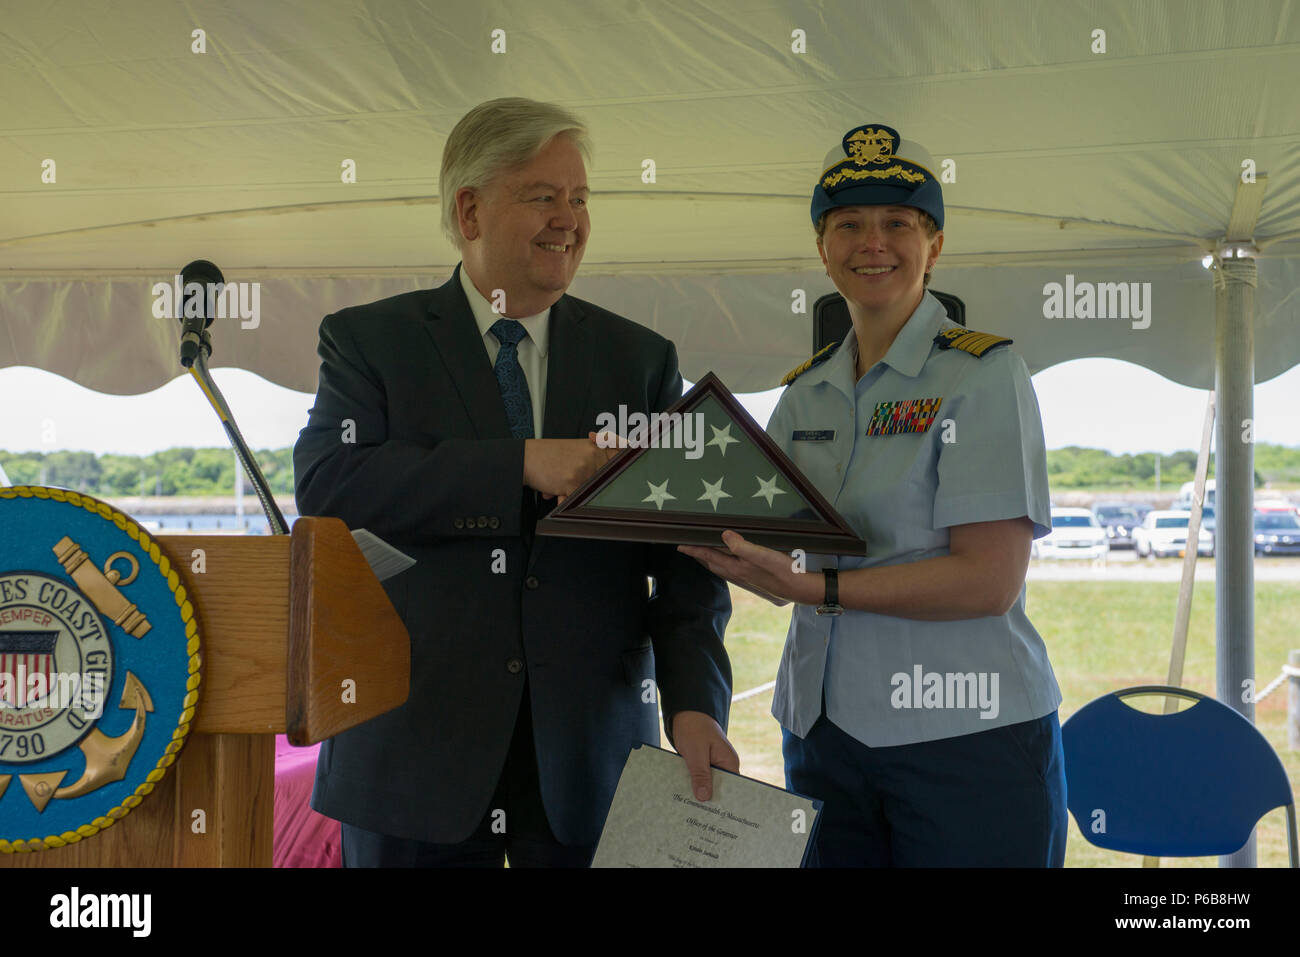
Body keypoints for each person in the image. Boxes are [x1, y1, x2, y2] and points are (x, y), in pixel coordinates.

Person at [293, 97, 735, 867]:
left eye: (580, 198)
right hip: (411, 758)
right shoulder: (371, 341)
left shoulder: (641, 360)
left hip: (587, 769)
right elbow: (331, 481)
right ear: (469, 209)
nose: (570, 218)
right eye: (543, 196)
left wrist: (694, 702)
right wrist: (521, 463)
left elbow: (683, 557)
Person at [680, 123, 1066, 866]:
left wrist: (816, 586)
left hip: (965, 738)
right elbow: (779, 545)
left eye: (898, 222)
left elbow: (988, 578)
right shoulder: (805, 393)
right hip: (825, 738)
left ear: (935, 244)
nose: (873, 242)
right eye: (849, 224)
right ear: (823, 248)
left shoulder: (982, 375)